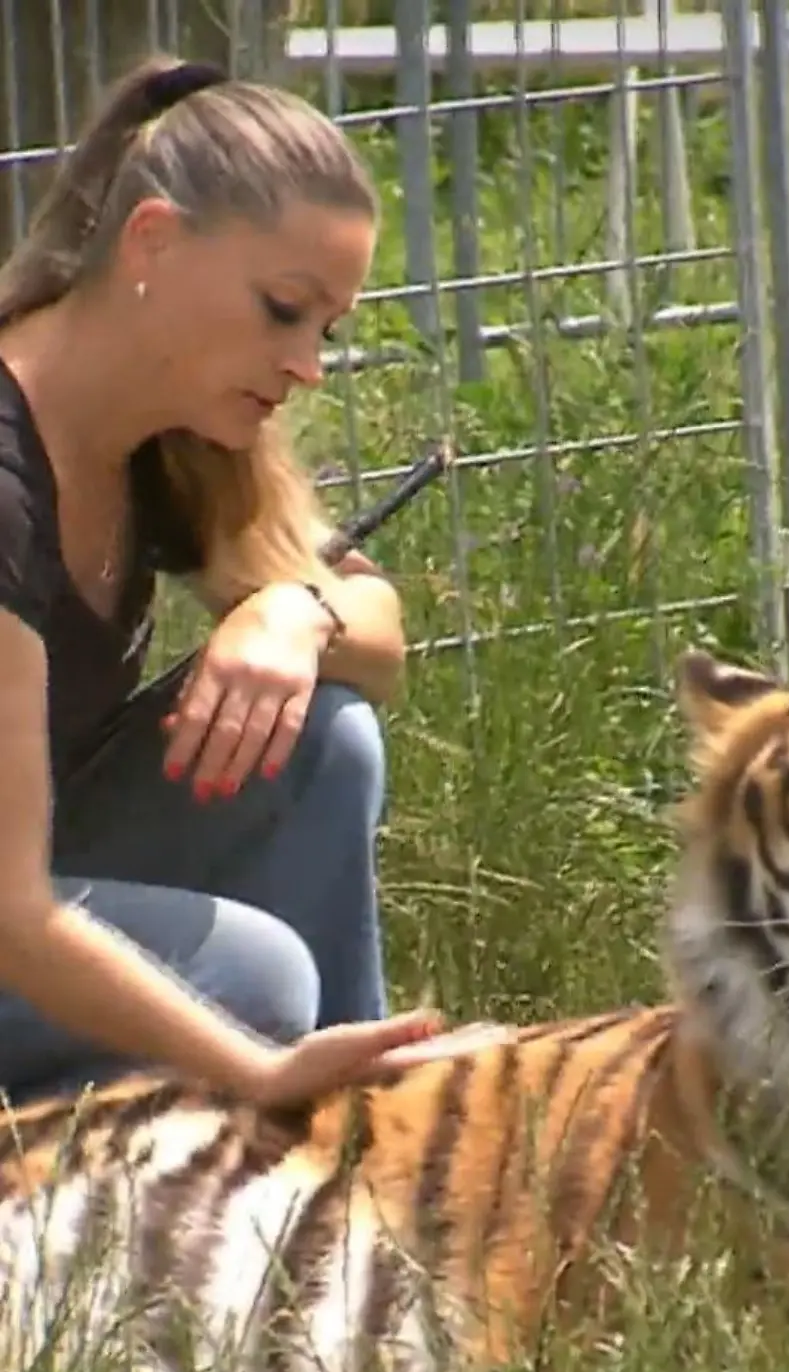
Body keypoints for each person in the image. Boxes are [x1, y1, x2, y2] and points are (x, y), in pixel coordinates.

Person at [0, 53, 503, 1112]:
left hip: (36, 878)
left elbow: (379, 632)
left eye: (326, 328)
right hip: (12, 911)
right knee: (255, 980)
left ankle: (362, 1139)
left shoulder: (178, 437)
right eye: (283, 309)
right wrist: (257, 1066)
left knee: (325, 735)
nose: (310, 364)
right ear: (152, 243)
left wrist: (294, 610)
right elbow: (14, 917)